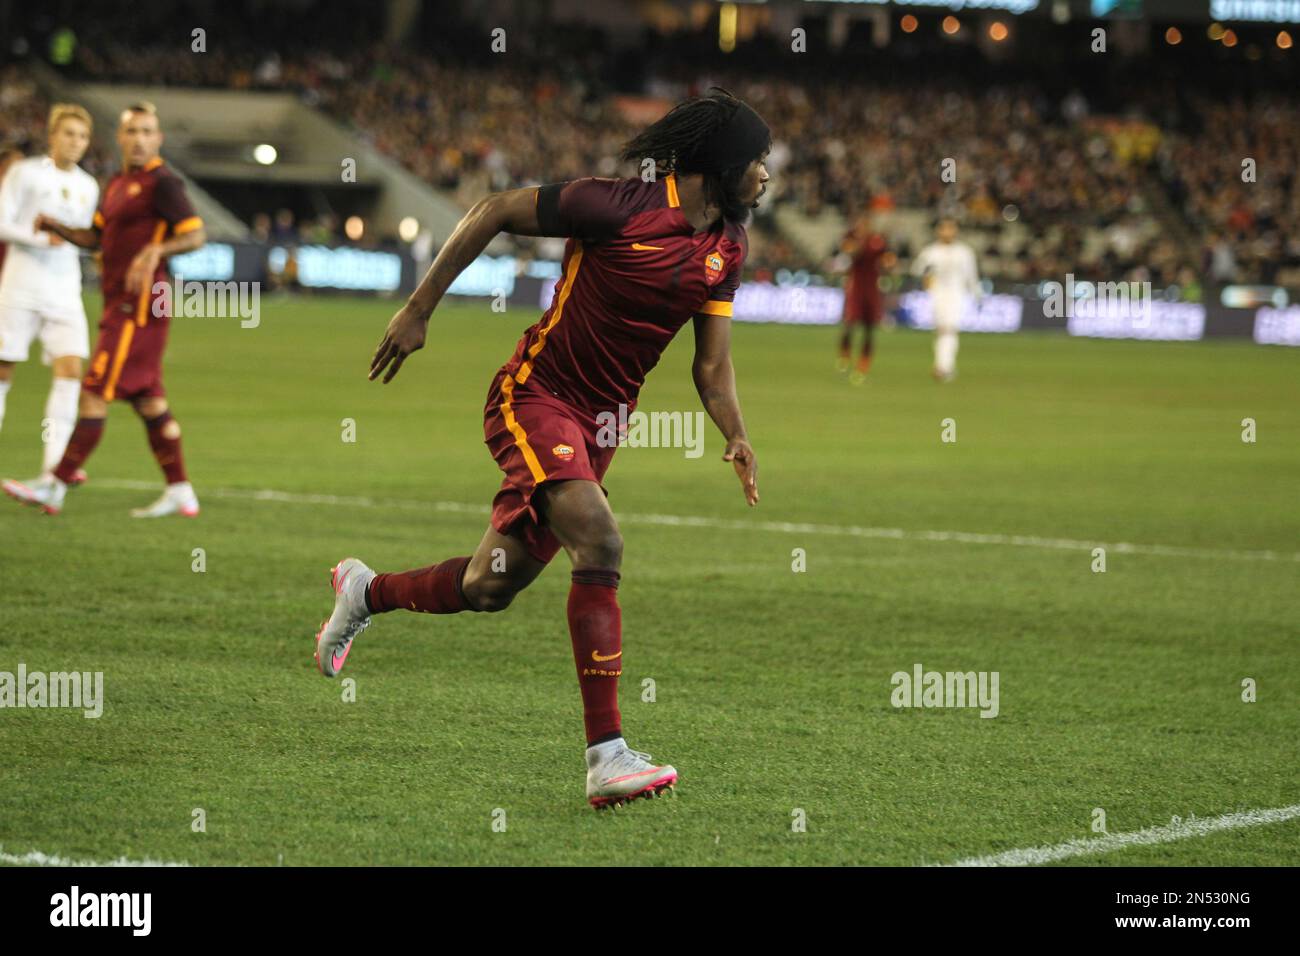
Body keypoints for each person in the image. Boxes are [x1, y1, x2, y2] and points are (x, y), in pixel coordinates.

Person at [314, 89, 769, 809]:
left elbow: (710, 367)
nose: (767, 176)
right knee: (602, 541)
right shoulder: (618, 204)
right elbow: (493, 210)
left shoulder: (728, 248)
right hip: (538, 397)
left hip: (601, 430)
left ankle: (365, 591)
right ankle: (607, 757)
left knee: (488, 585)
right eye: (759, 161)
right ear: (723, 165)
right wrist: (418, 308)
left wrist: (736, 433)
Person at [3, 102, 206, 516]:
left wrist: (156, 249)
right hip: (119, 303)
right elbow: (95, 236)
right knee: (149, 400)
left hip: (142, 306)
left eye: (147, 132)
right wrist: (55, 227)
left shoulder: (163, 183)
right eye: (132, 132)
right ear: (120, 137)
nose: (139, 140)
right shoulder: (114, 184)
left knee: (93, 392)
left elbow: (196, 235)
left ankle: (55, 485)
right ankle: (180, 489)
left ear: (158, 138)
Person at [0, 105, 98, 484]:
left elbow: (86, 237)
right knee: (4, 371)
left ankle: (54, 467)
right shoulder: (25, 174)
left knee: (71, 371)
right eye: (69, 133)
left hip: (64, 289)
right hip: (21, 285)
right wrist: (40, 236)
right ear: (52, 135)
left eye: (82, 136)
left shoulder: (89, 186)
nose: (75, 142)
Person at [911, 218, 979, 383]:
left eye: (951, 228)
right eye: (944, 228)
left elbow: (972, 276)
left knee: (950, 329)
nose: (947, 232)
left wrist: (977, 295)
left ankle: (943, 367)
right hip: (937, 295)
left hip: (957, 294)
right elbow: (917, 270)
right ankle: (944, 366)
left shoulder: (964, 252)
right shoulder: (930, 252)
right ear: (938, 231)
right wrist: (927, 279)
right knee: (942, 330)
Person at [837, 210, 893, 385]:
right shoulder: (852, 239)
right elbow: (850, 253)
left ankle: (863, 364)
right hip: (856, 288)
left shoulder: (878, 241)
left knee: (869, 329)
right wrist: (859, 242)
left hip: (871, 289)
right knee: (850, 324)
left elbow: (888, 259)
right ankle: (845, 355)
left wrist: (889, 263)